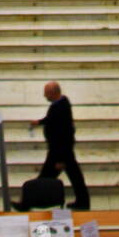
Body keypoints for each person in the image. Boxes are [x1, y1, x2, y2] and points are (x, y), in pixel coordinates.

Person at [30, 81, 90, 209]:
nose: (44, 95)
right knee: (75, 178)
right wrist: (40, 122)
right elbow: (51, 119)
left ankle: (28, 201)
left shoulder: (60, 108)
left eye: (46, 93)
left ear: (53, 93)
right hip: (62, 151)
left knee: (45, 177)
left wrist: (61, 159)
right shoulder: (61, 103)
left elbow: (64, 134)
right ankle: (83, 202)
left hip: (59, 152)